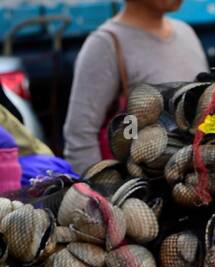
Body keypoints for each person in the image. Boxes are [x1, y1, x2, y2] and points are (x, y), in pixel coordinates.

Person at [63, 0, 207, 176]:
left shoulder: (186, 33)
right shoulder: (105, 44)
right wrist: (102, 195)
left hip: (194, 184)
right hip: (142, 192)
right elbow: (80, 136)